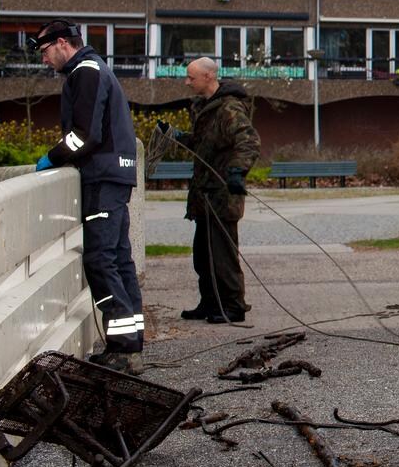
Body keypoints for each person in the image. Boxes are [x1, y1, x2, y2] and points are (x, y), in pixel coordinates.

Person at [32, 20, 144, 372]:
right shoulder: (97, 69)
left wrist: (53, 157)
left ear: (62, 43)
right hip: (115, 174)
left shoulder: (85, 72)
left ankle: (123, 348)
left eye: (44, 50)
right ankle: (130, 343)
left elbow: (85, 135)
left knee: (100, 260)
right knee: (119, 259)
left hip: (101, 177)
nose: (44, 59)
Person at [158, 58, 261, 324]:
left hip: (222, 194)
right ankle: (210, 303)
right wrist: (176, 135)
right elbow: (203, 144)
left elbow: (249, 141)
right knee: (203, 255)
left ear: (208, 76)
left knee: (222, 255)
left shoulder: (229, 108)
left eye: (191, 77)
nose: (187, 82)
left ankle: (233, 306)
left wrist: (237, 172)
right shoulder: (205, 107)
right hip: (204, 194)